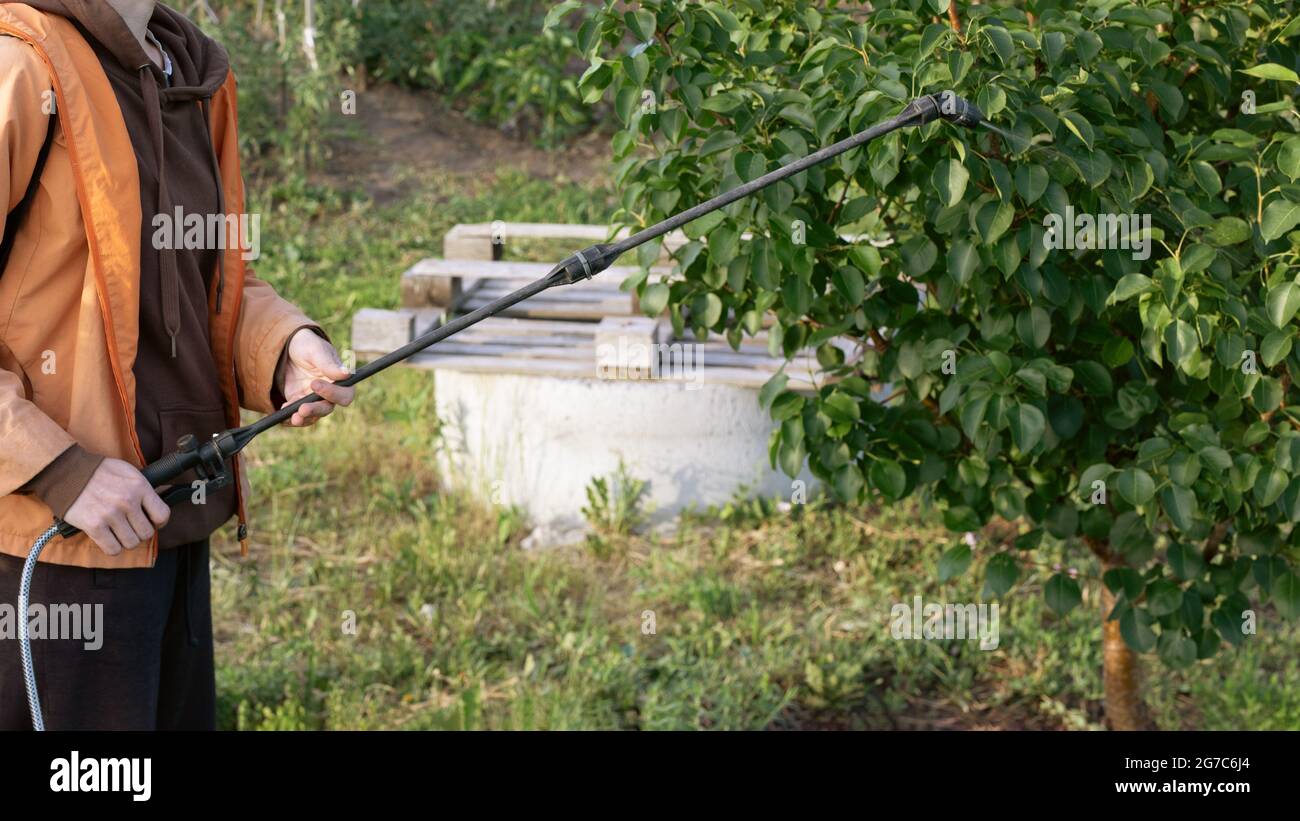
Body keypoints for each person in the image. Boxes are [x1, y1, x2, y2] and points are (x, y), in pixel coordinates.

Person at [0, 0, 354, 729]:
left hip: (172, 523)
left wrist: (284, 350)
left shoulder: (188, 69)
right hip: (53, 550)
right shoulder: (20, 63)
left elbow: (207, 282)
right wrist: (58, 468)